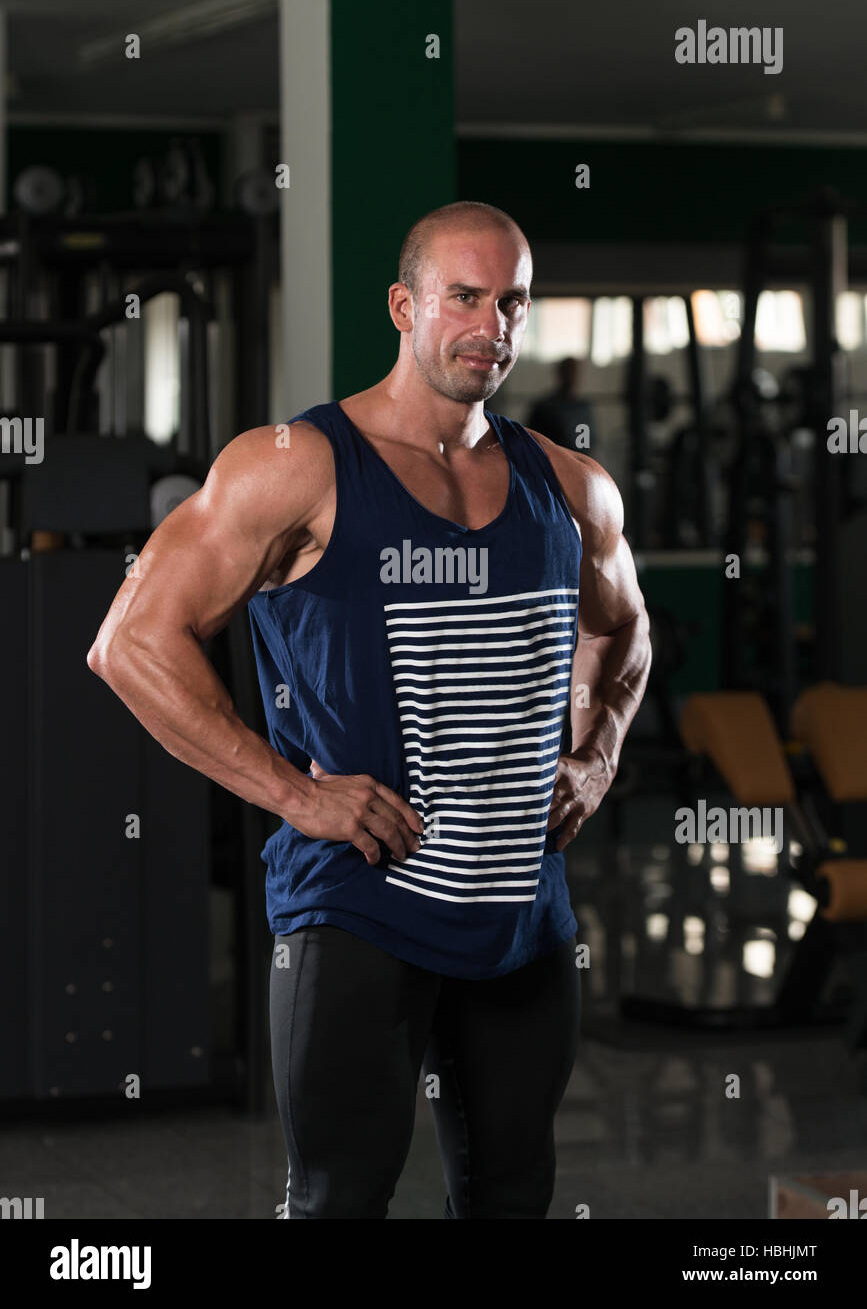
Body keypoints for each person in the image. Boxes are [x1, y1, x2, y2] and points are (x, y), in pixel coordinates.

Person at [87, 200, 652, 1220]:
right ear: (404, 305)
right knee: (340, 1200)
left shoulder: (568, 487)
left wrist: (596, 754)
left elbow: (626, 635)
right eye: (465, 297)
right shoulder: (294, 466)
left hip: (521, 915)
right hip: (356, 910)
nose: (492, 328)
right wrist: (292, 794)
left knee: (513, 1194)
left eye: (513, 303)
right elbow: (130, 641)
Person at [526, 356, 597, 452]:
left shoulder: (583, 408)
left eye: (574, 371)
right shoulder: (545, 408)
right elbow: (533, 441)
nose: (571, 375)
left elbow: (586, 444)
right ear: (560, 373)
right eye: (568, 371)